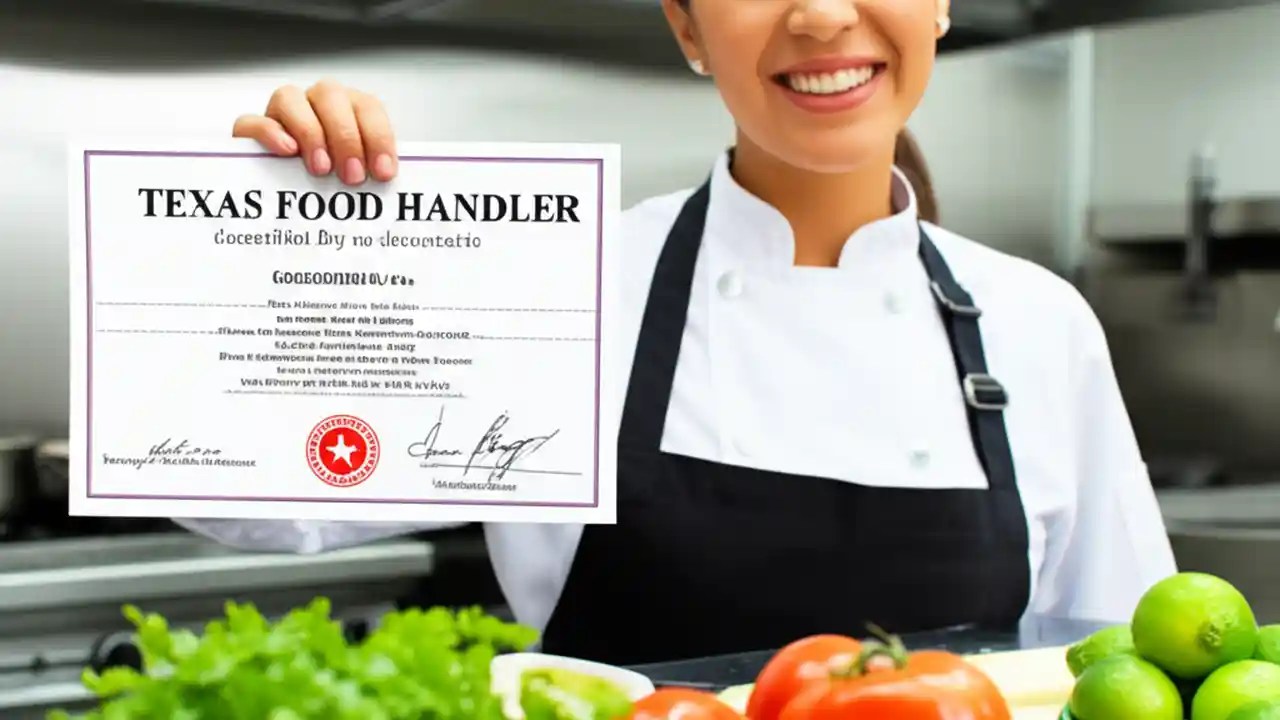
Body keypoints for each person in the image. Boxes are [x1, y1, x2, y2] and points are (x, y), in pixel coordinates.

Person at [178, 0, 1178, 665]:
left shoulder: (1038, 326)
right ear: (686, 26)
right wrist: (262, 236)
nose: (823, 14)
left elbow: (1123, 662)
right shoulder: (556, 293)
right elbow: (244, 499)